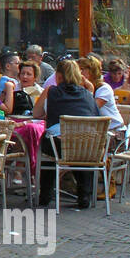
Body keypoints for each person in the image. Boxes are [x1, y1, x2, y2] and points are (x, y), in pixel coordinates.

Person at [35, 58, 100, 208]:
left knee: (48, 145)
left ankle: (45, 195)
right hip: (88, 146)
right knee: (81, 144)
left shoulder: (52, 91)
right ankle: (84, 195)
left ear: (58, 76)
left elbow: (37, 113)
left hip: (60, 146)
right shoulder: (88, 94)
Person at [79, 54, 123, 133]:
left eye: (82, 69)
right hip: (95, 131)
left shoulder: (104, 89)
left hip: (114, 131)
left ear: (92, 71)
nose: (79, 72)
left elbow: (91, 111)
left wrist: (90, 89)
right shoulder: (81, 88)